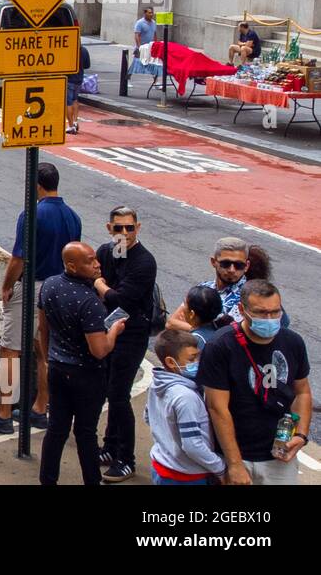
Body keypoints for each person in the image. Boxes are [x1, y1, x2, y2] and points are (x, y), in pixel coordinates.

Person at [0, 163, 80, 434]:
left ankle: (3, 413)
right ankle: (39, 408)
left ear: (36, 185)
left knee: (10, 350)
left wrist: (7, 286)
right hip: (59, 288)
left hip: (32, 286)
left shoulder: (31, 214)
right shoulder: (73, 216)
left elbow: (18, 258)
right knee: (44, 350)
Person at [198, 280, 312, 486]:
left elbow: (302, 392)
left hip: (279, 455)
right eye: (261, 313)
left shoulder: (293, 342)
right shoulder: (221, 346)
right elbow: (217, 408)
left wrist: (301, 435)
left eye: (275, 312)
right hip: (237, 455)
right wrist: (234, 464)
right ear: (242, 310)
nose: (269, 319)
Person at [37, 242, 127, 485]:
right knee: (86, 432)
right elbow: (99, 350)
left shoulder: (50, 285)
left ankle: (48, 479)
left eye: (95, 258)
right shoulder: (89, 302)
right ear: (72, 265)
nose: (97, 264)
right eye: (90, 261)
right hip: (86, 375)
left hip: (57, 367)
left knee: (56, 429)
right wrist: (114, 330)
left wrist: (48, 358)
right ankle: (92, 480)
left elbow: (43, 328)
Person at [92, 205, 158, 483]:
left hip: (131, 335)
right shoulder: (107, 253)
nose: (124, 233)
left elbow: (121, 299)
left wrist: (99, 284)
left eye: (129, 228)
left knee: (119, 394)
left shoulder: (144, 261)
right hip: (108, 331)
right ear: (109, 229)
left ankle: (125, 458)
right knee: (108, 389)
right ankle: (110, 446)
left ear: (137, 228)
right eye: (118, 228)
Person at [145, 330, 226, 485]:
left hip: (161, 466)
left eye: (198, 356)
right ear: (170, 362)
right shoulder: (185, 397)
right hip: (186, 477)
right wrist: (220, 467)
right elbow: (192, 446)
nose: (198, 361)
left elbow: (148, 417)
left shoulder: (155, 385)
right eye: (192, 358)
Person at [166, 285, 227, 353]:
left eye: (185, 304)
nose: (183, 308)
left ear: (192, 314)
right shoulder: (218, 331)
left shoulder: (195, 341)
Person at [66, 42, 90, 134]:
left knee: (68, 103)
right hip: (79, 79)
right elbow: (87, 65)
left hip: (69, 79)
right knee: (75, 100)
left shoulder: (68, 50)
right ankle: (75, 122)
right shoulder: (84, 50)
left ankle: (71, 126)